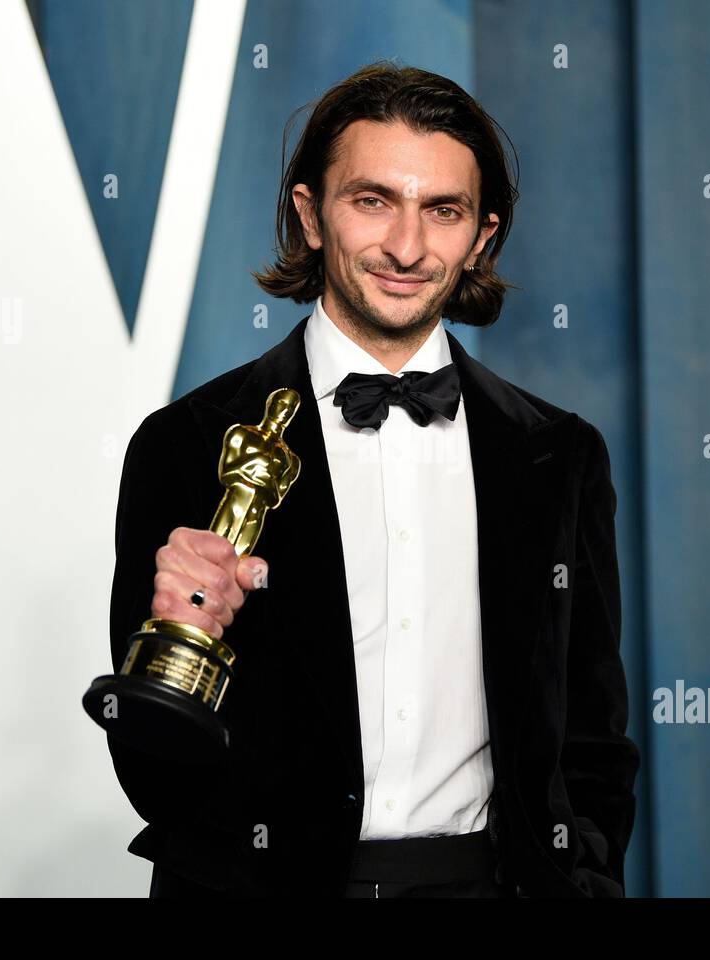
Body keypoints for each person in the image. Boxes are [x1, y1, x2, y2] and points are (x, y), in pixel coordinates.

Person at [106, 61, 640, 898]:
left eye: (443, 210)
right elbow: (152, 777)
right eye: (372, 200)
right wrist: (176, 655)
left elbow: (593, 735)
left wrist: (584, 878)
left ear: (482, 238)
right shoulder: (187, 444)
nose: (406, 246)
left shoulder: (560, 454)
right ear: (311, 215)